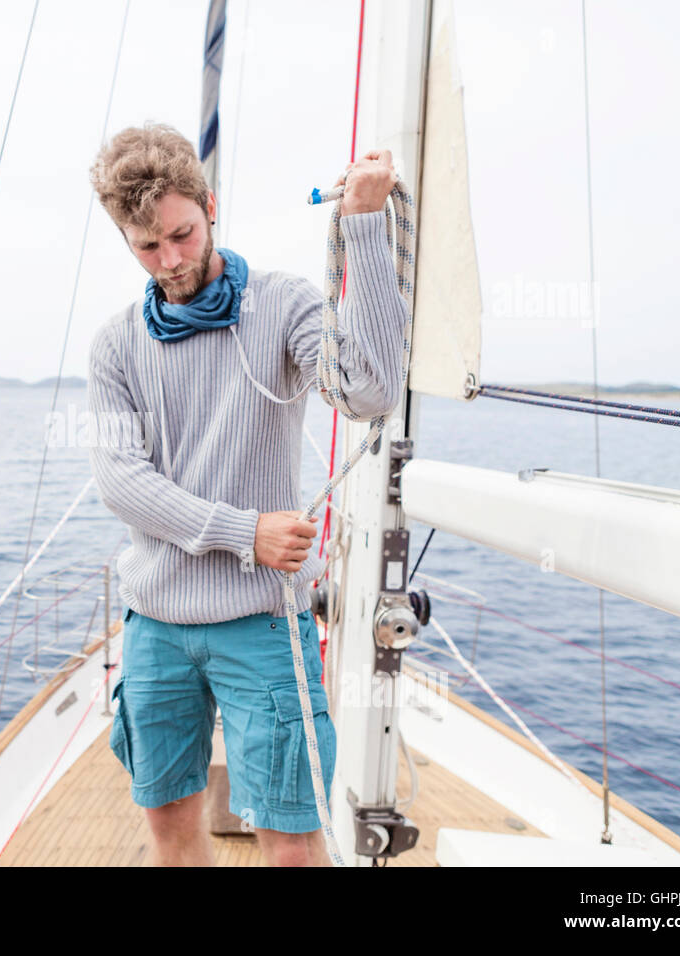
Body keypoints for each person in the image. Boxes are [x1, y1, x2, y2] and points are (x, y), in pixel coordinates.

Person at [85, 122, 408, 866]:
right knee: (168, 825)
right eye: (146, 246)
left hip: (262, 622)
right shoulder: (115, 345)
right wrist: (244, 532)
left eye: (182, 235)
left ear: (210, 205)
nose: (170, 261)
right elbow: (121, 482)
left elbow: (371, 390)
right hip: (155, 623)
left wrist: (362, 226)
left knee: (291, 842)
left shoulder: (283, 305)